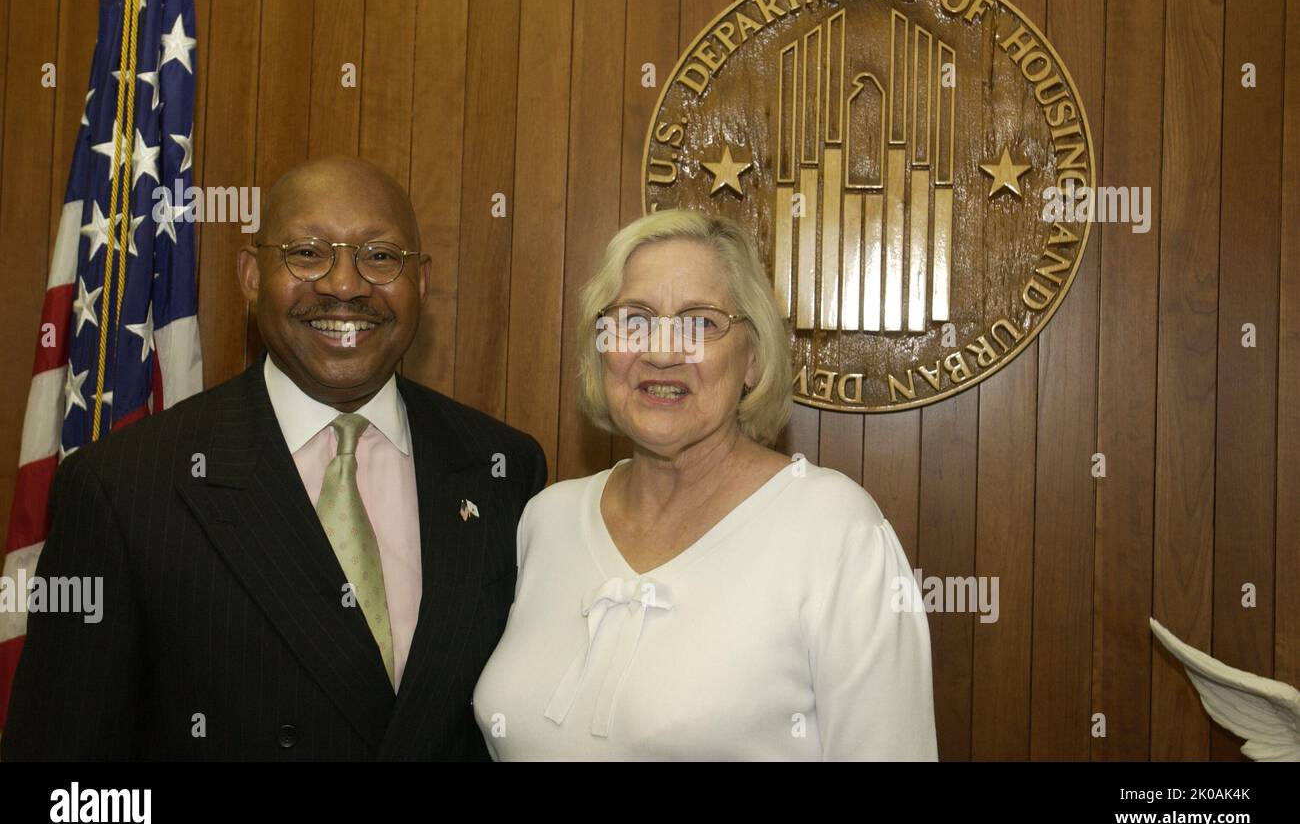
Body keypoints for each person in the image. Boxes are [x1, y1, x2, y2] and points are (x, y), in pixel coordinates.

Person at [3, 156, 546, 760]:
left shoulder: (504, 469)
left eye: (381, 256)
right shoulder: (124, 486)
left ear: (421, 281)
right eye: (307, 253)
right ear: (252, 275)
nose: (346, 284)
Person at [473, 209, 937, 760]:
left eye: (699, 323)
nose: (663, 352)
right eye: (634, 319)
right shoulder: (547, 519)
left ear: (753, 358)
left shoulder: (836, 531)